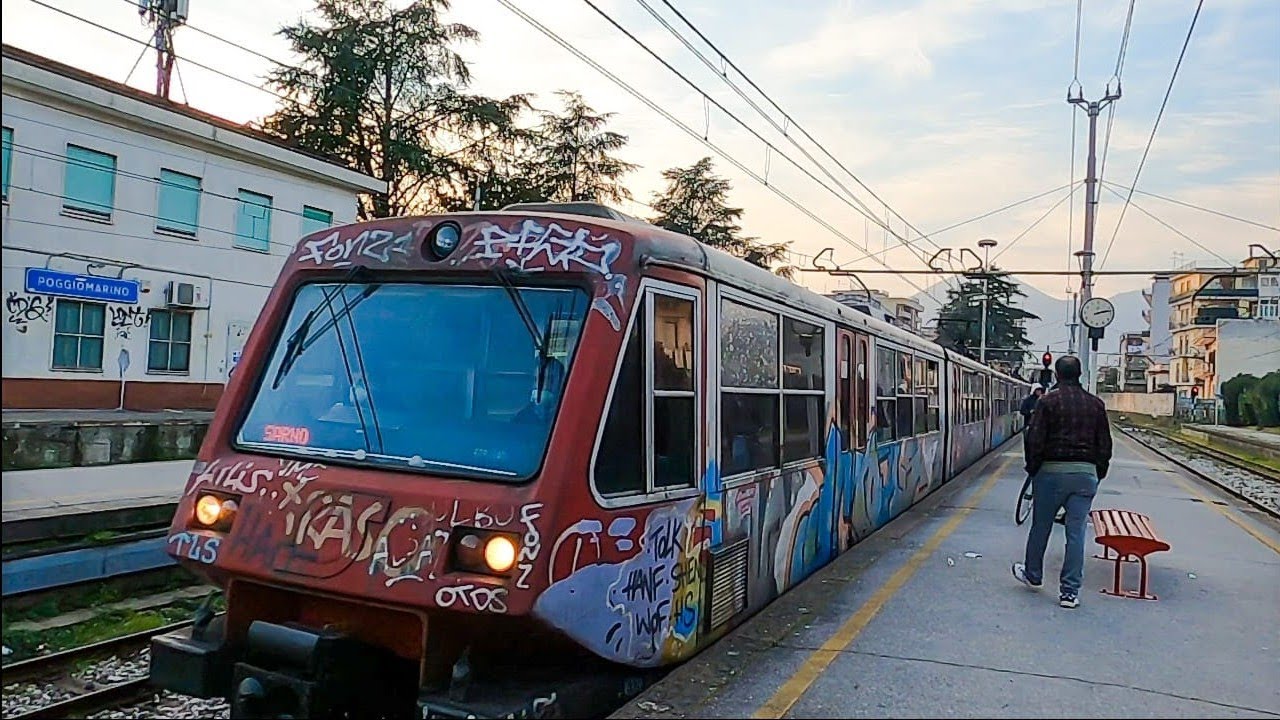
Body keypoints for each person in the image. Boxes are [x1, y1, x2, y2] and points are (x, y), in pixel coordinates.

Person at [1013, 355, 1112, 609]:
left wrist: (1033, 468)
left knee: (1041, 527)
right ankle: (1069, 593)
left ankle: (1033, 574)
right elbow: (1105, 444)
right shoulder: (1096, 404)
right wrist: (1097, 472)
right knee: (1076, 533)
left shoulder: (1047, 402)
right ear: (1079, 374)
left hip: (1051, 473)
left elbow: (1034, 439)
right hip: (1085, 475)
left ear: (1057, 375)